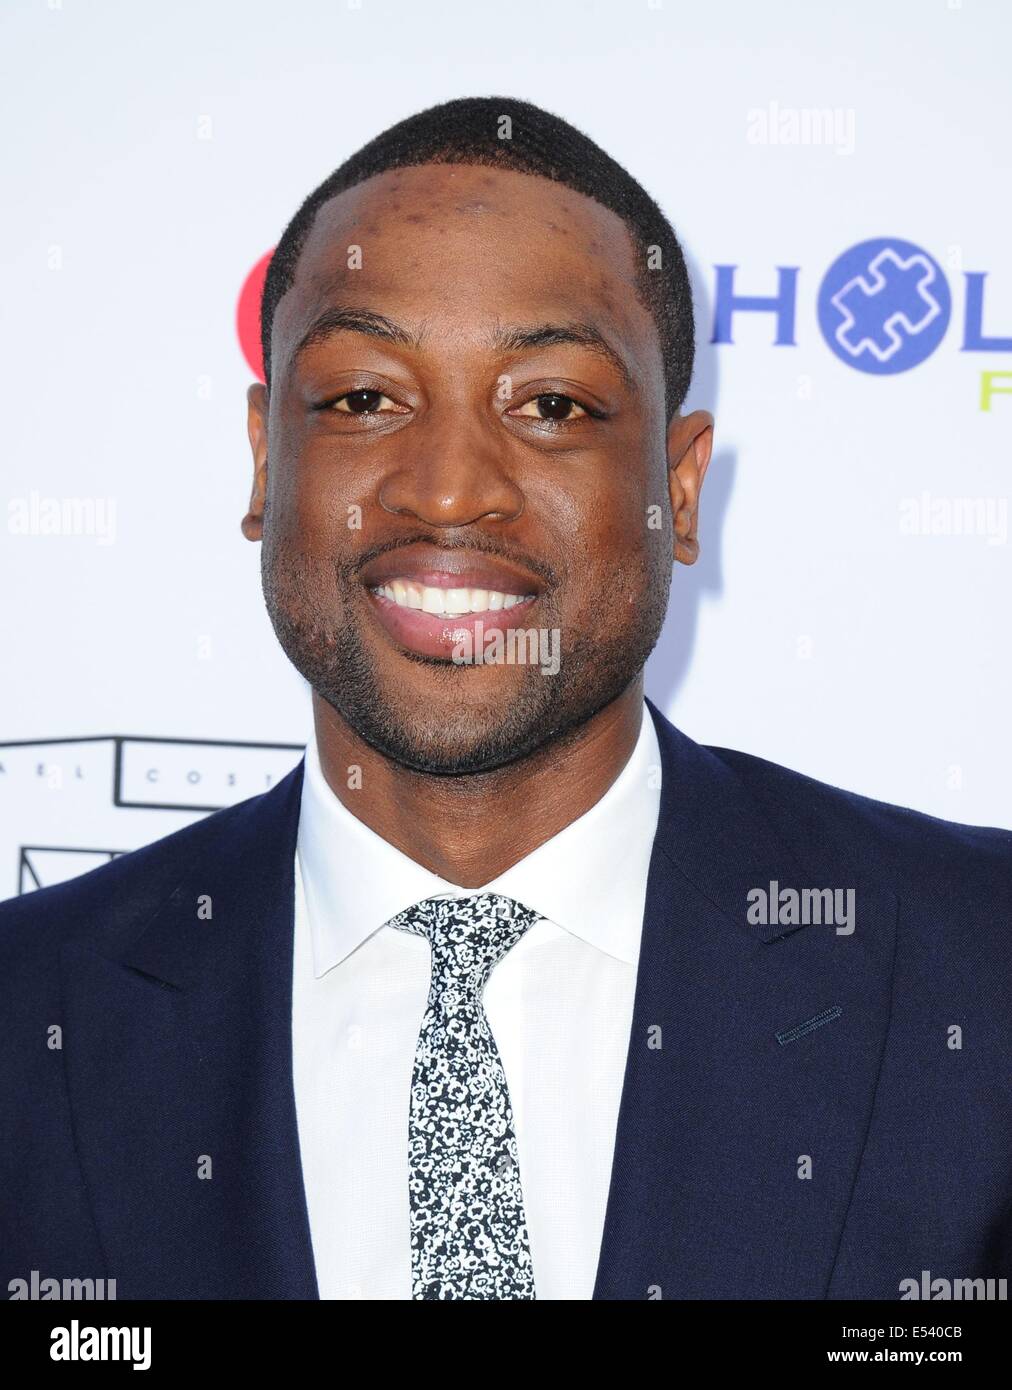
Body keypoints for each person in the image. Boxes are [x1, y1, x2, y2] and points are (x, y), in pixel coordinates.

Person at [2, 96, 1009, 1302]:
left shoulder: (978, 965)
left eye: (552, 405)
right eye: (365, 396)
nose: (449, 491)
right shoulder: (30, 1011)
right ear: (267, 460)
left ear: (678, 493)